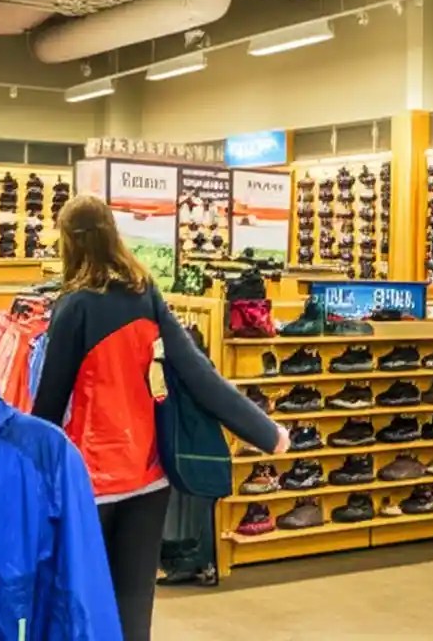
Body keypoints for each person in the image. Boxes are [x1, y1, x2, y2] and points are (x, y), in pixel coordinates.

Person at [32, 194, 287, 641]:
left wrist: (26, 472)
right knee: (134, 606)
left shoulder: (73, 307)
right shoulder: (144, 292)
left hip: (91, 479)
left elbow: (48, 406)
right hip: (149, 474)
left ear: (68, 243)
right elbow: (198, 374)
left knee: (81, 604)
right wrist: (267, 432)